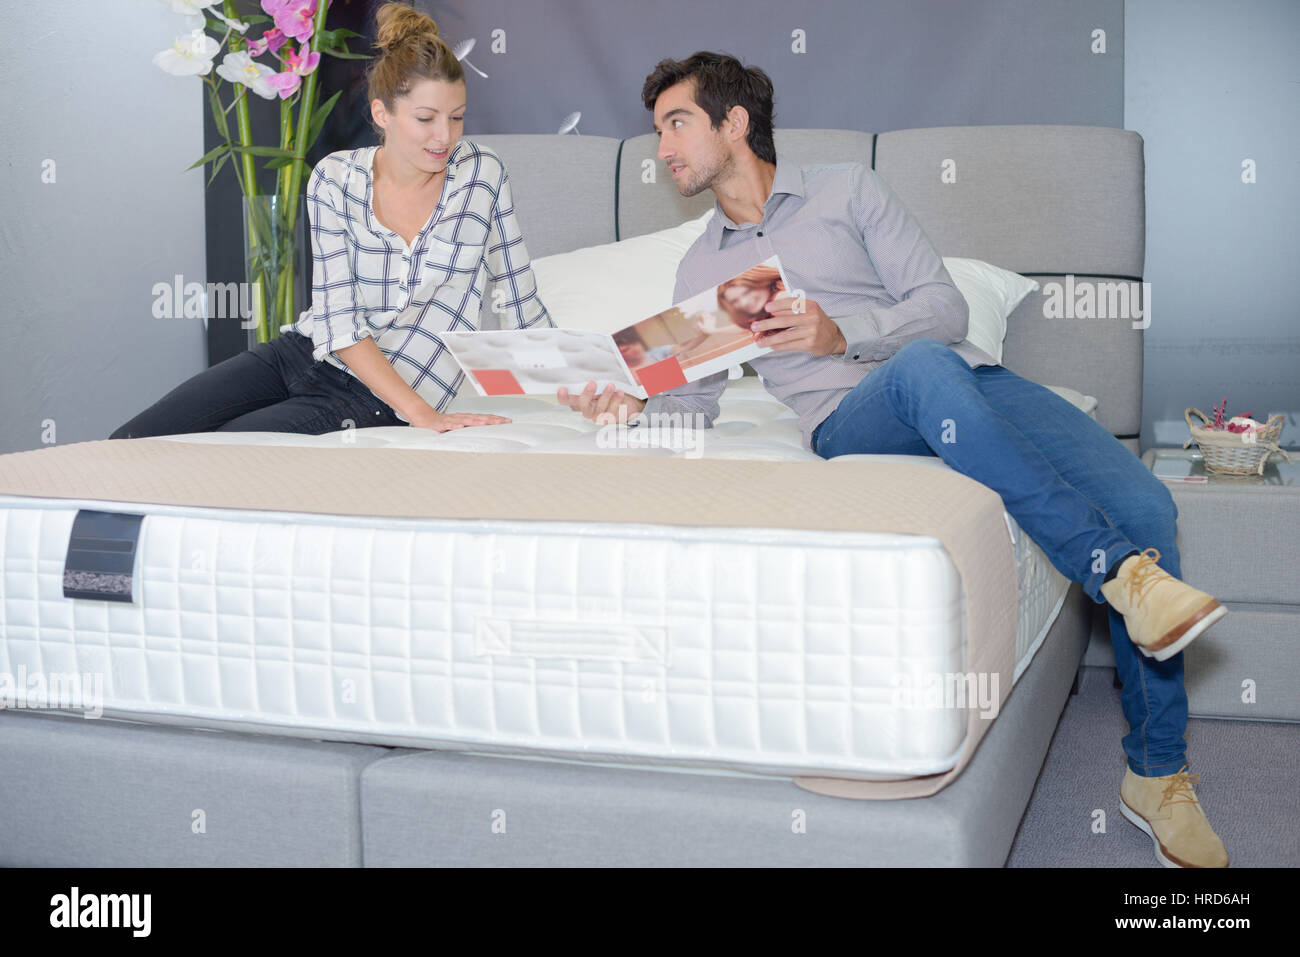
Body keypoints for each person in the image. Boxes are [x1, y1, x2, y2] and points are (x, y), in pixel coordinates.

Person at [558, 52, 1230, 868]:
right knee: (920, 370)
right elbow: (692, 405)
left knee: (1149, 508)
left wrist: (845, 333)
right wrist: (627, 406)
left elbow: (943, 308)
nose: (661, 147)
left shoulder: (848, 190)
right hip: (851, 416)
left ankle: (1155, 774)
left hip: (969, 383)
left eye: (676, 123)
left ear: (733, 122)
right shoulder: (706, 268)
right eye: (658, 128)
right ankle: (1117, 571)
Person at [111, 3, 550, 440]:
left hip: (375, 396)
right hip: (302, 352)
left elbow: (518, 303)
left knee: (219, 458)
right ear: (383, 115)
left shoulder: (482, 173)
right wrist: (424, 414)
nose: (445, 137)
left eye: (456, 118)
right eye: (425, 118)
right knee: (132, 442)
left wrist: (586, 385)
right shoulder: (335, 177)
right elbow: (339, 322)